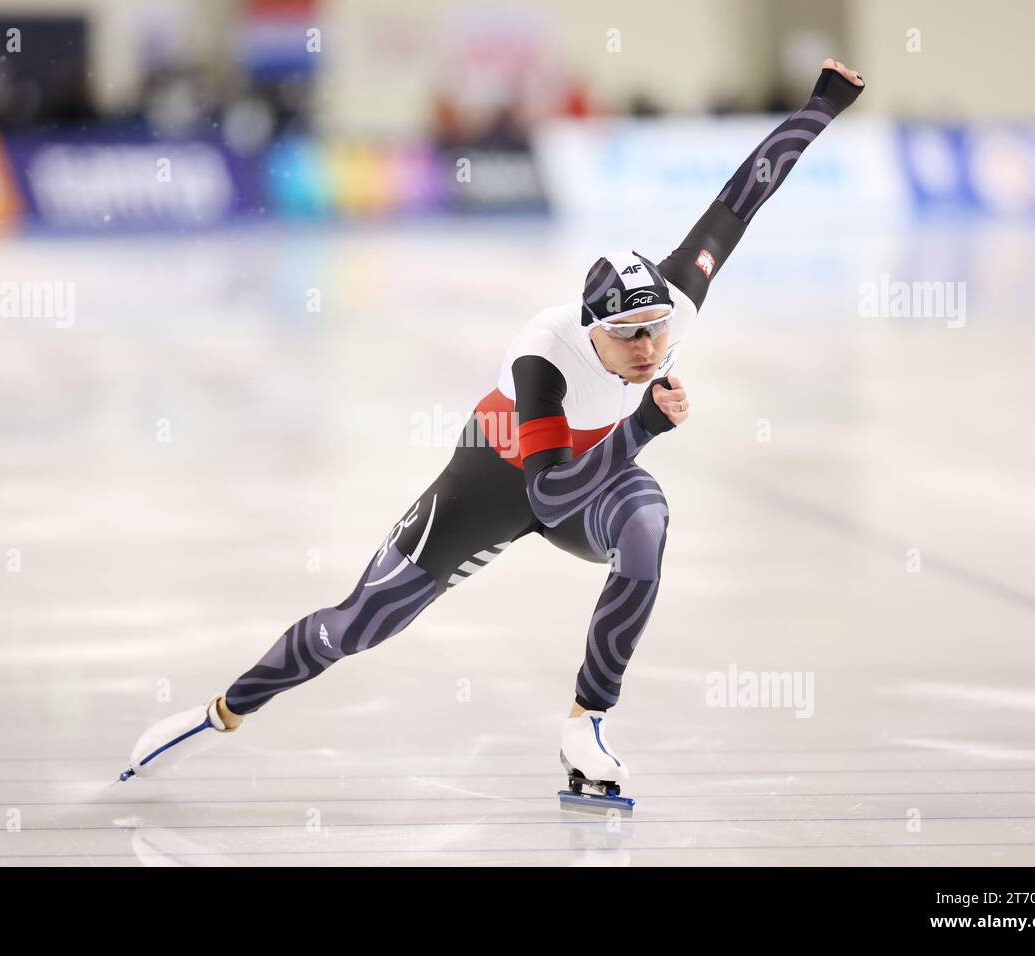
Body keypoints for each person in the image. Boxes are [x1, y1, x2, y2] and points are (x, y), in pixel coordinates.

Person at [120, 59, 865, 806]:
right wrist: (639, 425)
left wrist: (822, 105)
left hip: (589, 475)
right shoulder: (545, 353)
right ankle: (218, 714)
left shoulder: (678, 298)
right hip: (493, 482)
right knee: (357, 626)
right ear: (591, 330)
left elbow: (748, 190)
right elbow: (545, 490)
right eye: (629, 334)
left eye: (657, 329)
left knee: (646, 525)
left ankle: (587, 725)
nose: (648, 347)